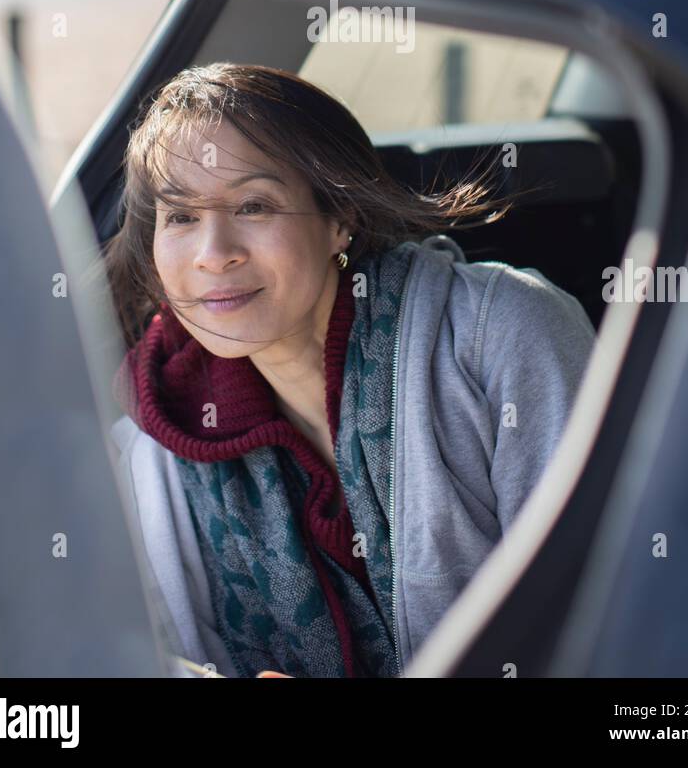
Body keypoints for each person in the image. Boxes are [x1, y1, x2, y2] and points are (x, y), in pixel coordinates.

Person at [102, 61, 595, 678]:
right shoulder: (156, 437)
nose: (213, 254)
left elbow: (611, 615)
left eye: (254, 205)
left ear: (340, 216)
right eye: (180, 216)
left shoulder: (502, 336)